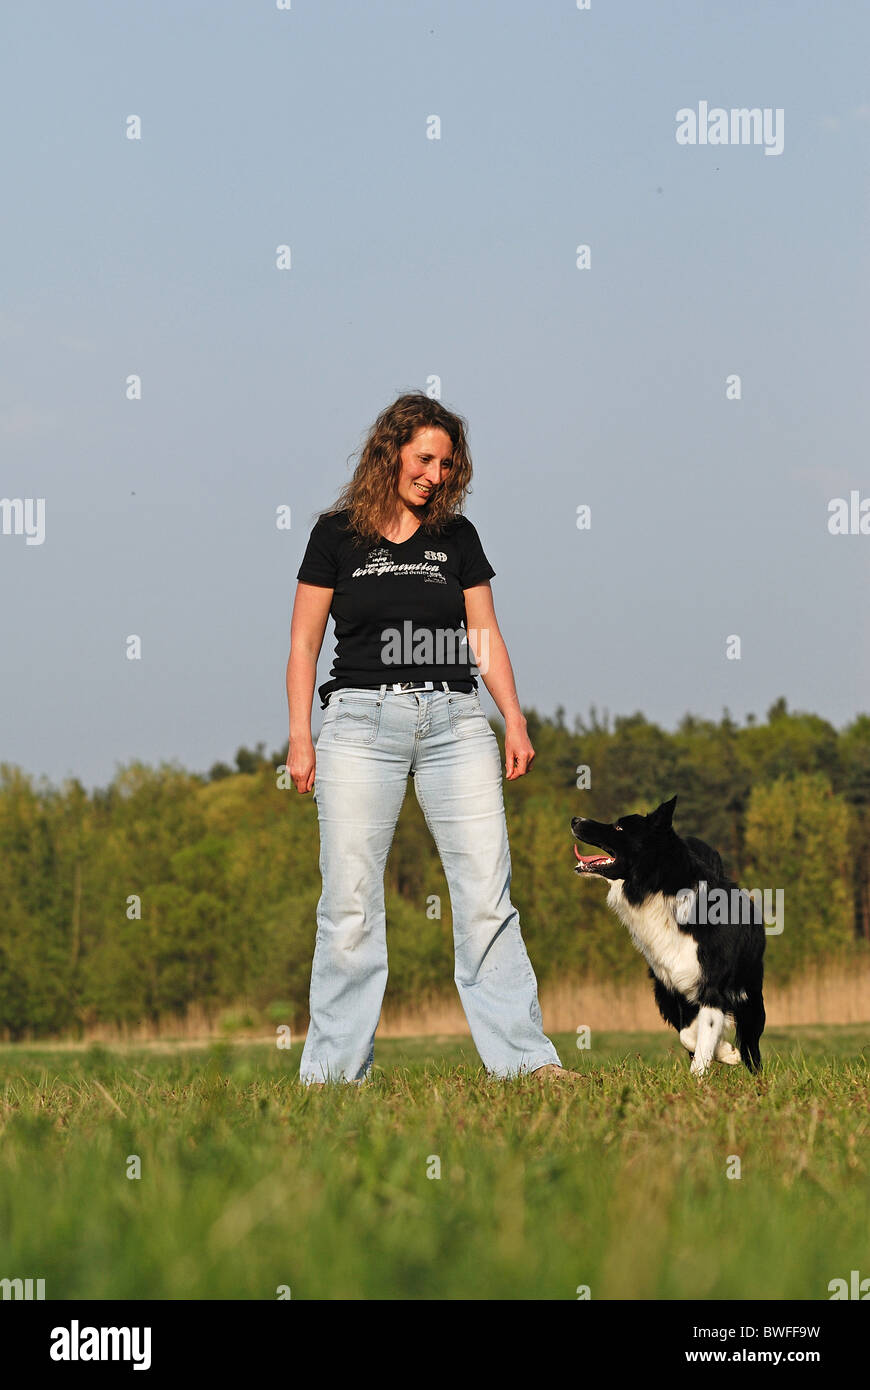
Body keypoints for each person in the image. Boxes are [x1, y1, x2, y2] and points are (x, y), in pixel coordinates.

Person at [285, 392, 574, 1086]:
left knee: (485, 895)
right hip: (358, 724)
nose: (436, 474)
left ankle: (528, 1064)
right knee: (349, 903)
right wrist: (301, 734)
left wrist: (515, 717)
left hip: (454, 724)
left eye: (447, 464)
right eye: (424, 459)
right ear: (391, 454)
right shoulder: (335, 535)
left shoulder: (458, 539)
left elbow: (485, 634)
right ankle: (333, 1076)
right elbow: (303, 643)